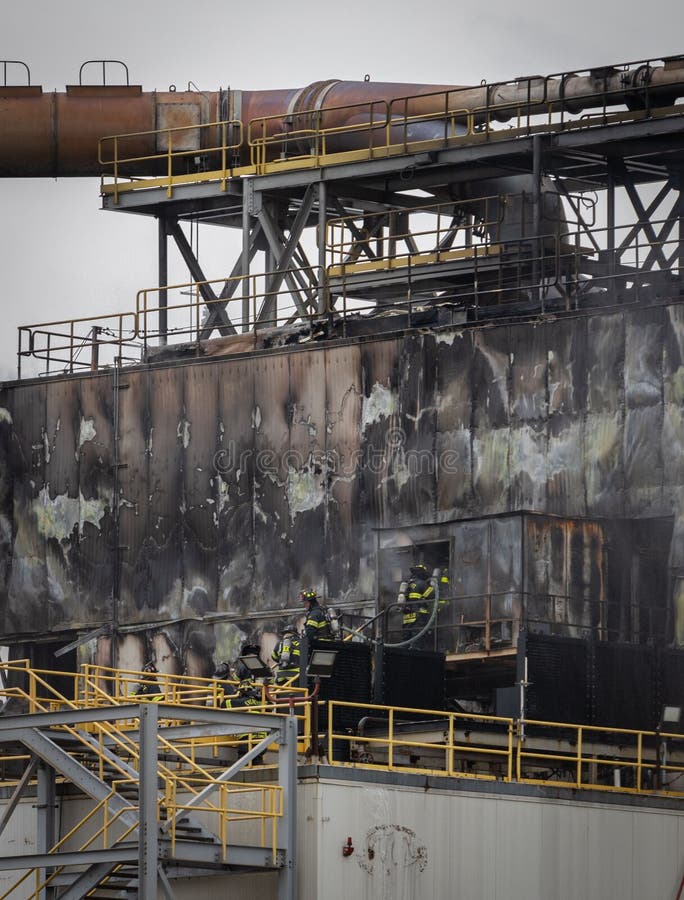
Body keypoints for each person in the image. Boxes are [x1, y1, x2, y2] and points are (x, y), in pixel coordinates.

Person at [402, 564, 435, 646]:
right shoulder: (421, 583)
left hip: (407, 618)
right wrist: (433, 585)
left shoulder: (408, 584)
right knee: (417, 641)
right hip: (419, 617)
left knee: (406, 640)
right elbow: (433, 595)